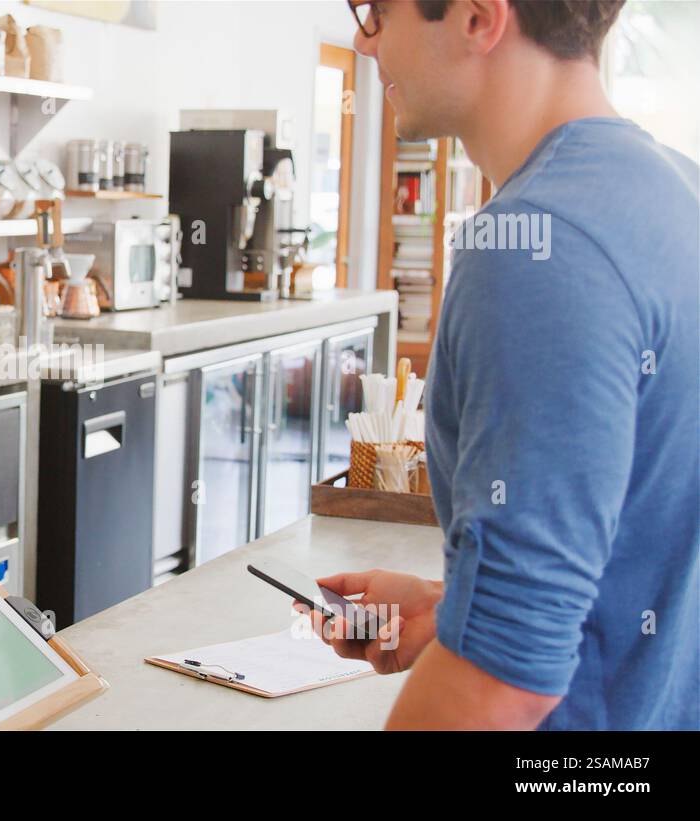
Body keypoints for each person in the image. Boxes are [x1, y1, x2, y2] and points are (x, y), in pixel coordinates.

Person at [304, 0, 698, 729]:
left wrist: (490, 645)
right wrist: (459, 608)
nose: (363, 42)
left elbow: (503, 689)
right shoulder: (678, 188)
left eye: (377, 11)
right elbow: (640, 536)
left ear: (479, 18)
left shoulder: (537, 250)